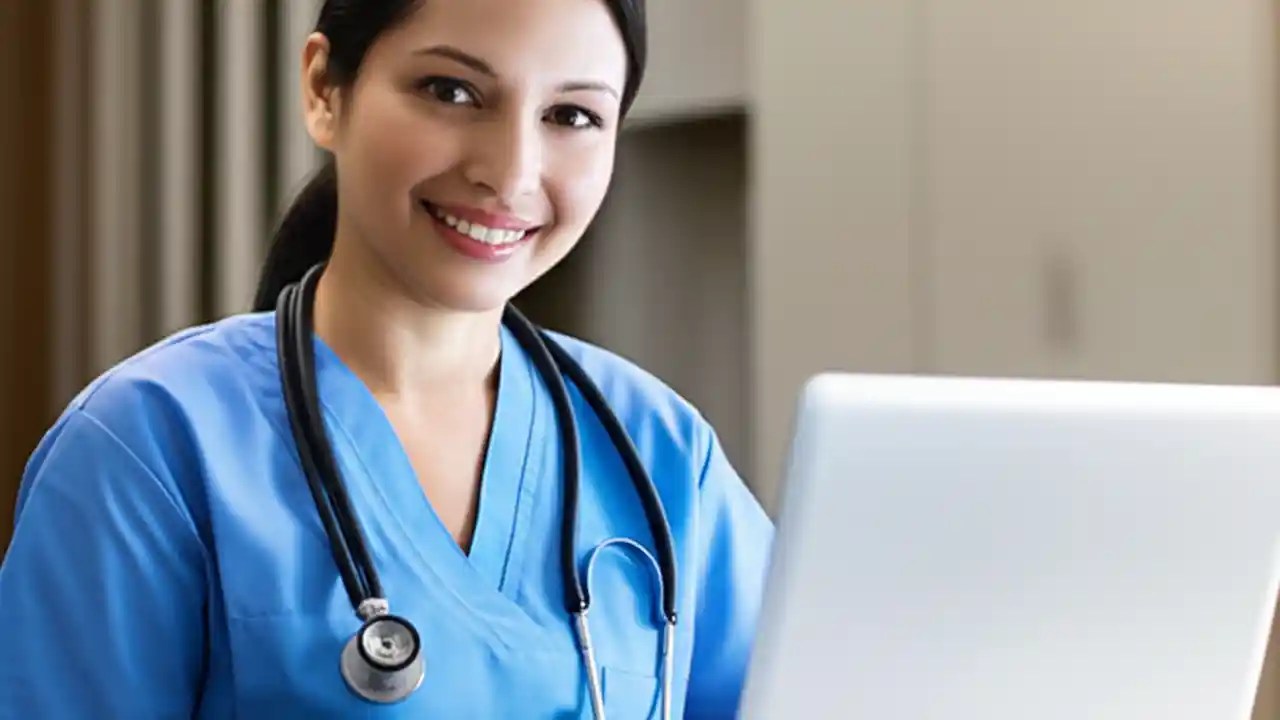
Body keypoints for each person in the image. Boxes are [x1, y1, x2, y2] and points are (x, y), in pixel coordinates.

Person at [0, 0, 773, 717]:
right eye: (452, 91)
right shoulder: (152, 446)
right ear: (323, 90)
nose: (508, 172)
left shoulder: (659, 452)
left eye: (571, 115)